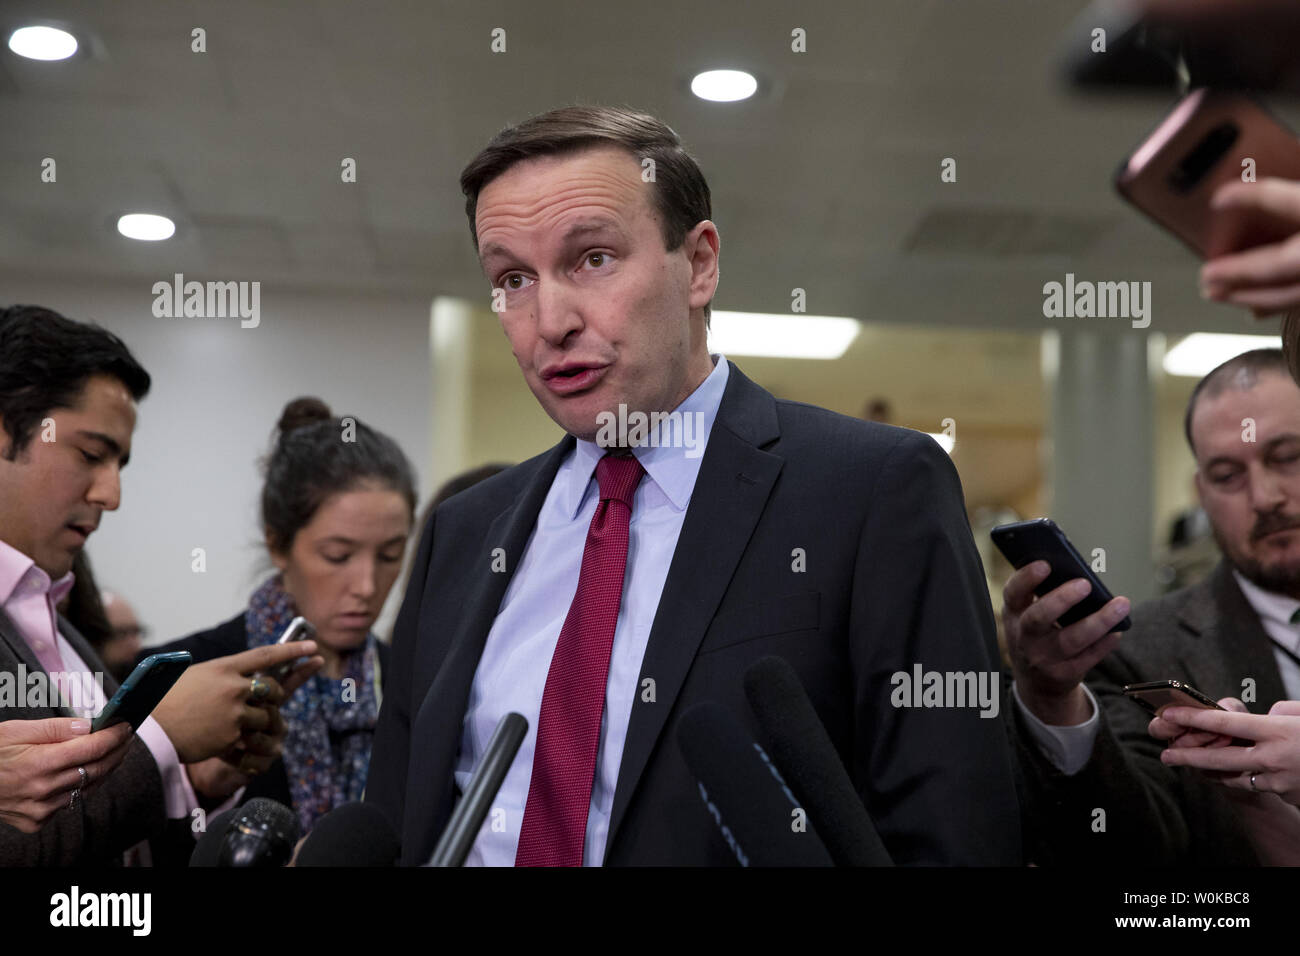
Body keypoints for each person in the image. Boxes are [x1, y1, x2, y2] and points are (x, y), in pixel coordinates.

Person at [366, 105, 1022, 866]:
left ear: (699, 264)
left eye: (593, 260)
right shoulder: (463, 532)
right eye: (512, 278)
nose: (550, 321)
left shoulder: (874, 491)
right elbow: (398, 816)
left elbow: (957, 830)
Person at [0, 305, 321, 864]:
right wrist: (160, 736)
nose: (111, 494)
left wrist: (195, 780)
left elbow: (99, 838)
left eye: (120, 463)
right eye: (91, 454)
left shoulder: (67, 633)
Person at [1003, 347, 1300, 865]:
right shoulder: (1138, 651)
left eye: (1289, 457)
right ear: (1201, 496)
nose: (1265, 497)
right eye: (1228, 475)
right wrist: (1051, 699)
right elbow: (1127, 848)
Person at [152, 397, 416, 838]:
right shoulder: (184, 674)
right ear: (278, 545)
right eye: (338, 556)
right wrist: (202, 789)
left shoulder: (413, 684)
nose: (367, 586)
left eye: (391, 555)